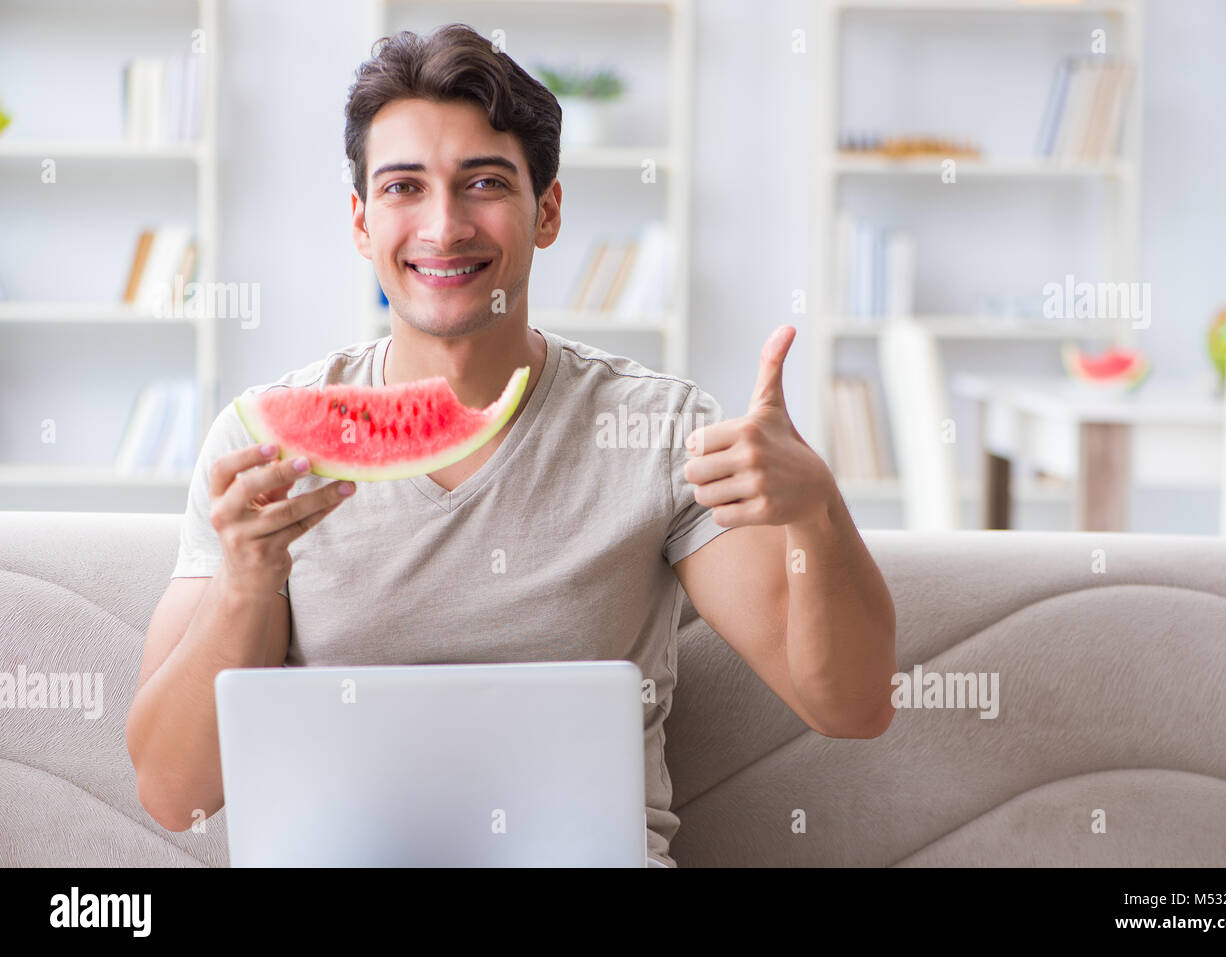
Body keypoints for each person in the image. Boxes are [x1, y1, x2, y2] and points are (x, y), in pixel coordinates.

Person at [126, 23, 897, 869]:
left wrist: (817, 511)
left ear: (548, 212)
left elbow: (850, 704)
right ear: (361, 221)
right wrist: (245, 584)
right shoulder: (261, 448)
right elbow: (174, 792)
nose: (443, 225)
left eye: (484, 183)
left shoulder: (656, 433)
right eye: (403, 188)